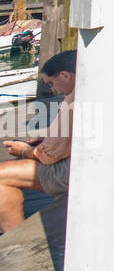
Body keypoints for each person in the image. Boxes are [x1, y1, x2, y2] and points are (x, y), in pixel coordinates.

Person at [0, 50, 77, 232]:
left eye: (51, 83)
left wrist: (23, 150)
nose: (52, 90)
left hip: (76, 169)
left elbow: (48, 157)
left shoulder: (72, 101)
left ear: (65, 75)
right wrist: (49, 138)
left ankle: (14, 240)